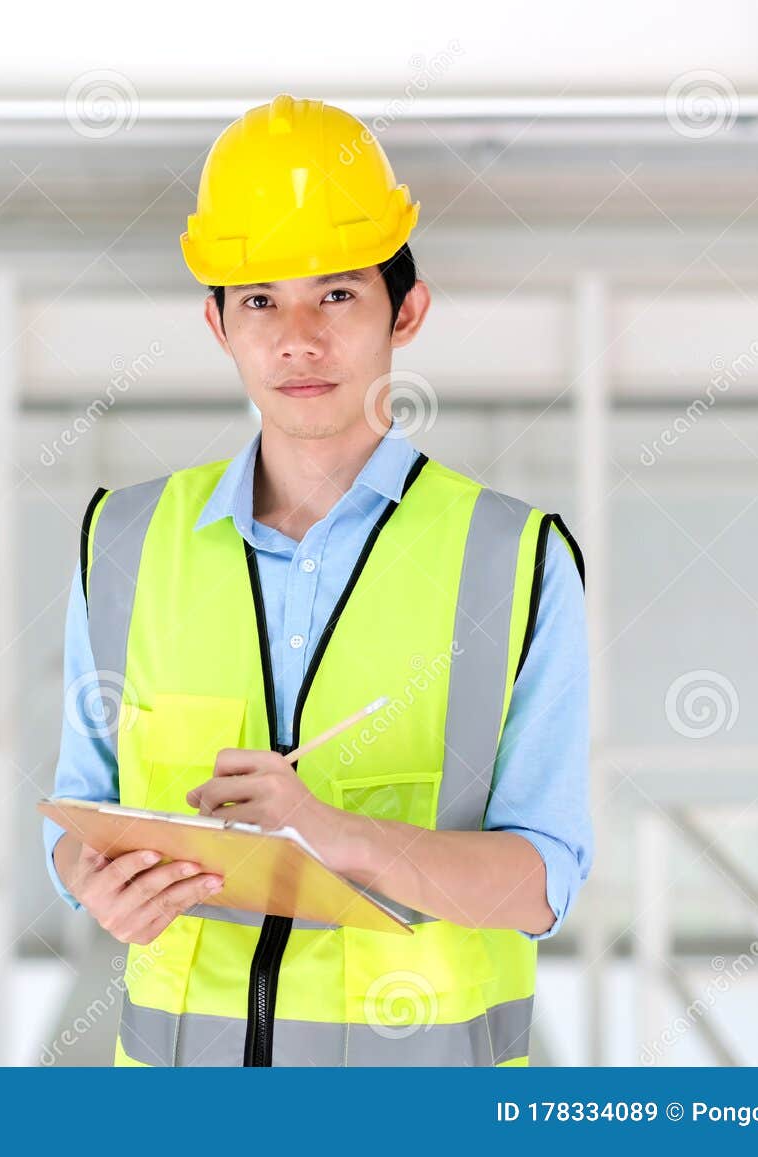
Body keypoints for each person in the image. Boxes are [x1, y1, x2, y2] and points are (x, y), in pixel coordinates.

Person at [42, 93, 591, 1067]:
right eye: (259, 300)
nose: (297, 338)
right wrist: (94, 880)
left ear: (405, 311)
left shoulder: (515, 558)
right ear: (217, 323)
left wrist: (333, 835)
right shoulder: (122, 540)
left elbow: (539, 882)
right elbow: (79, 815)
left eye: (336, 294)